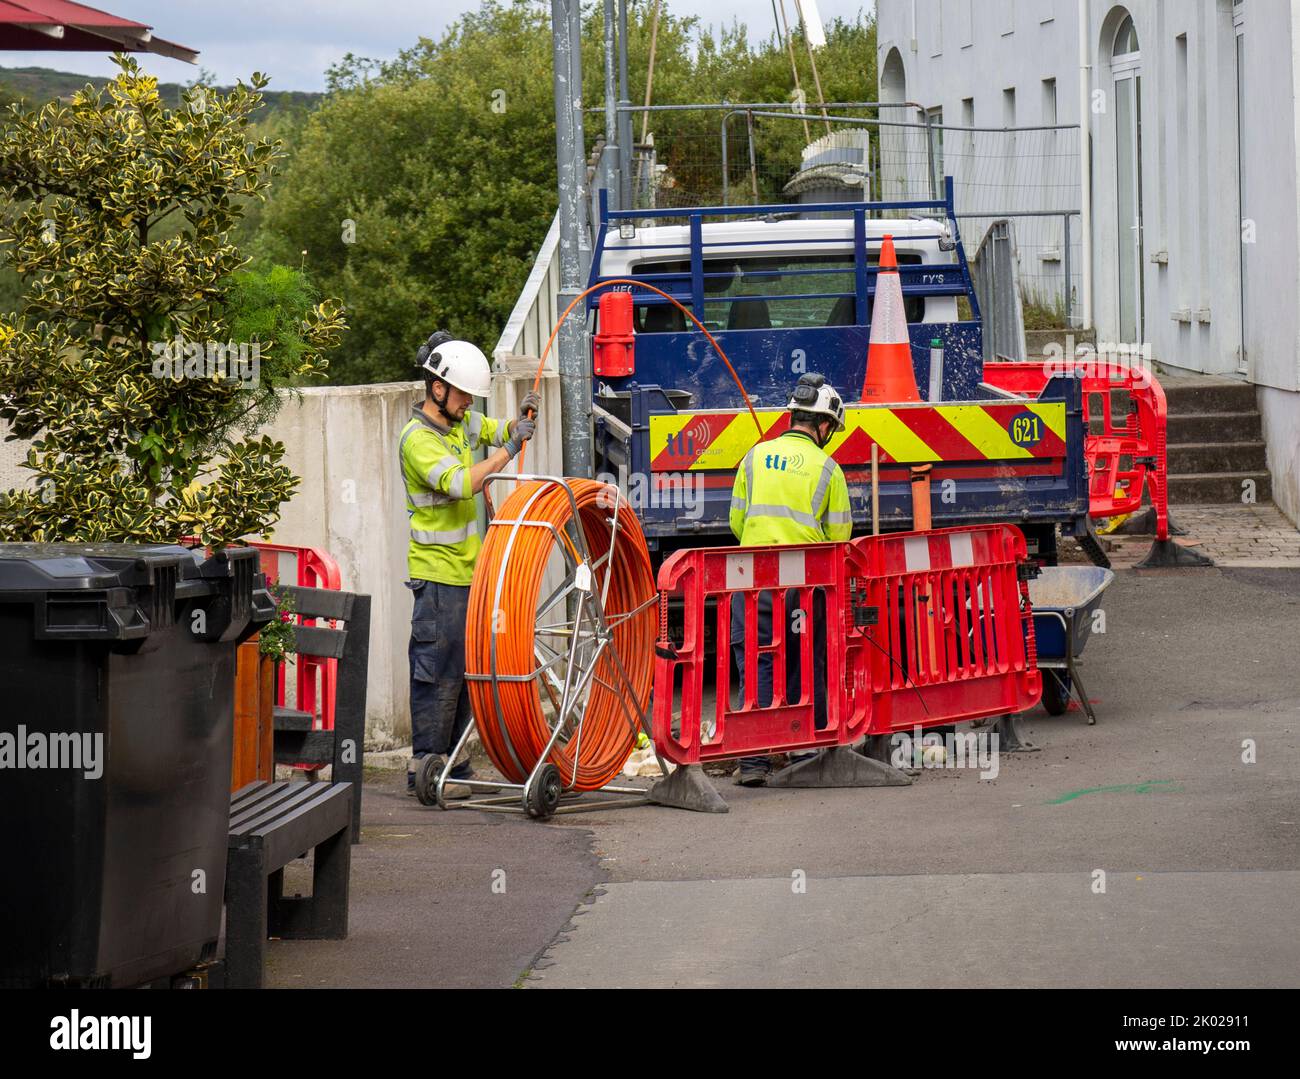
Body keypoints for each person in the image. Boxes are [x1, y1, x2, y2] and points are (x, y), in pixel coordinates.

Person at [398, 331, 540, 797]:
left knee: (462, 673)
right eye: (462, 394)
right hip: (437, 577)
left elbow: (495, 430)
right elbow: (461, 483)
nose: (467, 404)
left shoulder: (460, 423)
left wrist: (517, 423)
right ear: (437, 389)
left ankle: (453, 767)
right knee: (436, 673)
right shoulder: (418, 440)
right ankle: (427, 769)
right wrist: (509, 450)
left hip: (467, 575)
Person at [728, 373, 853, 786]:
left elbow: (737, 521)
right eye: (830, 428)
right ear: (821, 424)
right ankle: (802, 751)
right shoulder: (827, 469)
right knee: (803, 660)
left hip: (751, 581)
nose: (830, 435)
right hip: (804, 583)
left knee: (757, 661)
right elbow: (839, 536)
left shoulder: (754, 457)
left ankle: (753, 760)